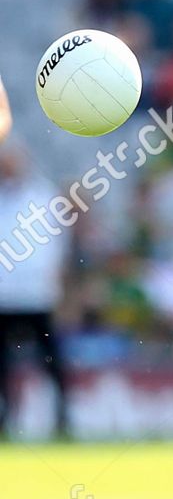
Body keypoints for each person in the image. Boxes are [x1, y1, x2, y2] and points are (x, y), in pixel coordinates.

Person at [0, 143, 71, 439]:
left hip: (36, 295)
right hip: (4, 296)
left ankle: (62, 416)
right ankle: (6, 418)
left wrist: (57, 285)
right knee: (3, 366)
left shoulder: (42, 195)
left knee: (52, 361)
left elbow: (57, 246)